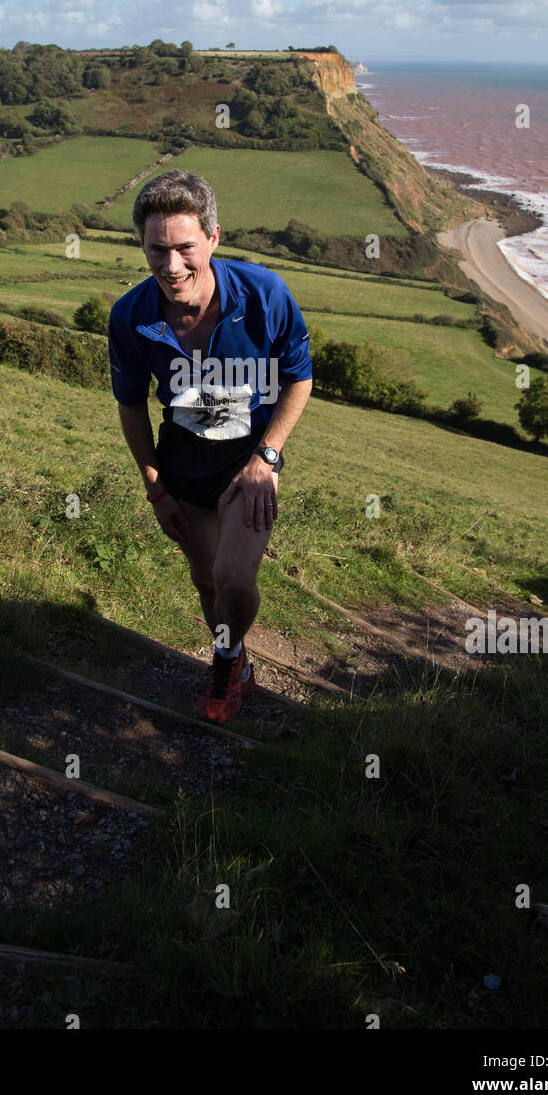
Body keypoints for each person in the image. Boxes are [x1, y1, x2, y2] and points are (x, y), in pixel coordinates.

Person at [108, 169, 313, 724]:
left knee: (233, 579)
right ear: (142, 245)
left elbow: (299, 377)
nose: (171, 267)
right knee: (205, 582)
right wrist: (154, 484)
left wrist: (266, 458)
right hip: (182, 464)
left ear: (214, 239)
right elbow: (132, 405)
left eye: (184, 249)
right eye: (157, 250)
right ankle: (234, 658)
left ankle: (227, 661)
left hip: (246, 461)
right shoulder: (130, 316)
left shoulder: (264, 294)